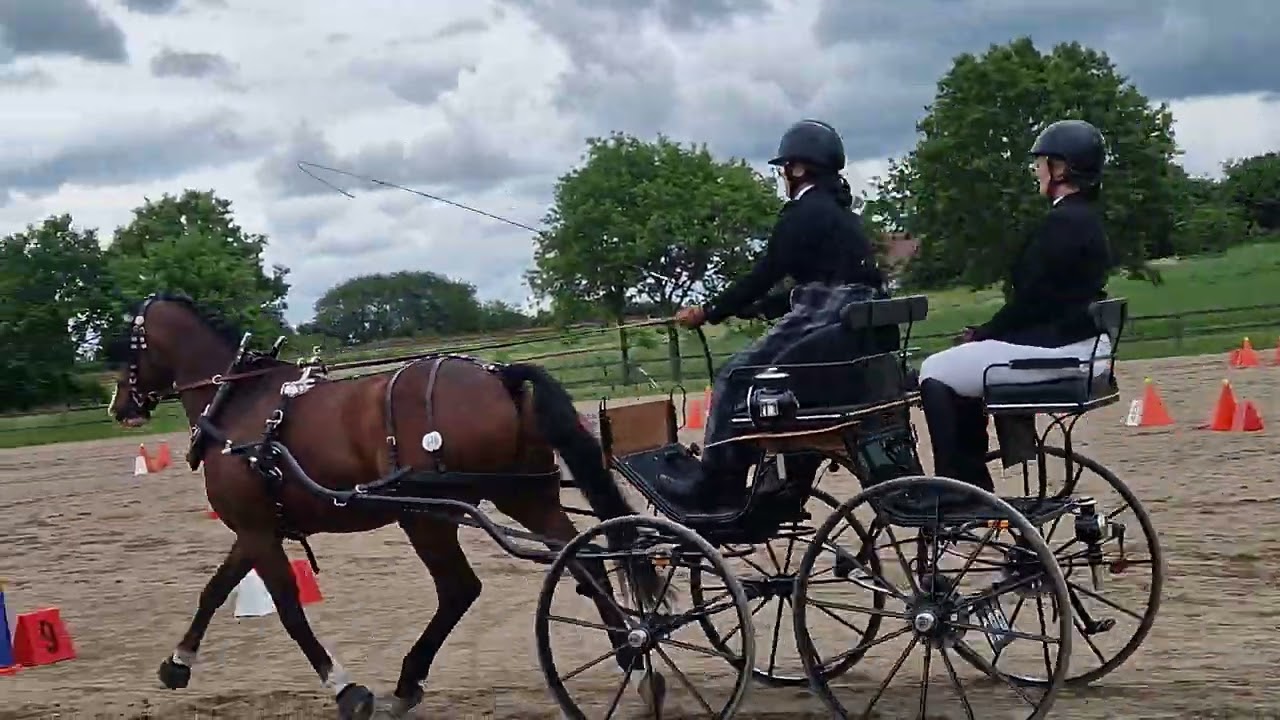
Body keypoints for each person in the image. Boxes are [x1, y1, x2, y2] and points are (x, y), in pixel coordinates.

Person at [669, 119, 886, 508]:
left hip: (827, 319)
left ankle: (713, 483)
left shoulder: (802, 214)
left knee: (735, 376)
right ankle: (766, 483)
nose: (783, 175)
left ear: (798, 168)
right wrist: (761, 308)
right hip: (847, 322)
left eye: (785, 167)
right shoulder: (840, 214)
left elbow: (765, 274)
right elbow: (820, 277)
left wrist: (708, 311)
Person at [917, 119, 1114, 491]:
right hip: (1081, 345)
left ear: (1061, 168)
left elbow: (1031, 302)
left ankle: (961, 488)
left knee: (935, 370)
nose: (1037, 171)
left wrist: (985, 334)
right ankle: (972, 481)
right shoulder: (1086, 219)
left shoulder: (1061, 224)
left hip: (1060, 351)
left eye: (1041, 163)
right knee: (963, 365)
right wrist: (987, 334)